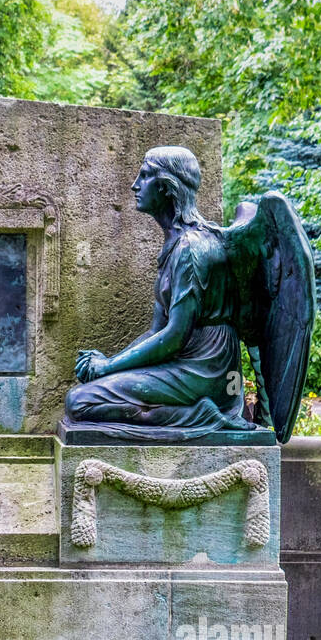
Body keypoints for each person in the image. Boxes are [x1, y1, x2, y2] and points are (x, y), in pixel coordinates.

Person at [65, 145, 255, 439]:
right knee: (81, 399)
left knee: (81, 402)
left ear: (166, 187)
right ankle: (197, 413)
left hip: (206, 369)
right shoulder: (176, 245)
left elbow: (174, 337)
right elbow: (157, 332)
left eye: (145, 176)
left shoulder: (191, 249)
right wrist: (108, 362)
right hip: (185, 362)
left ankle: (204, 415)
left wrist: (107, 368)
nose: (135, 185)